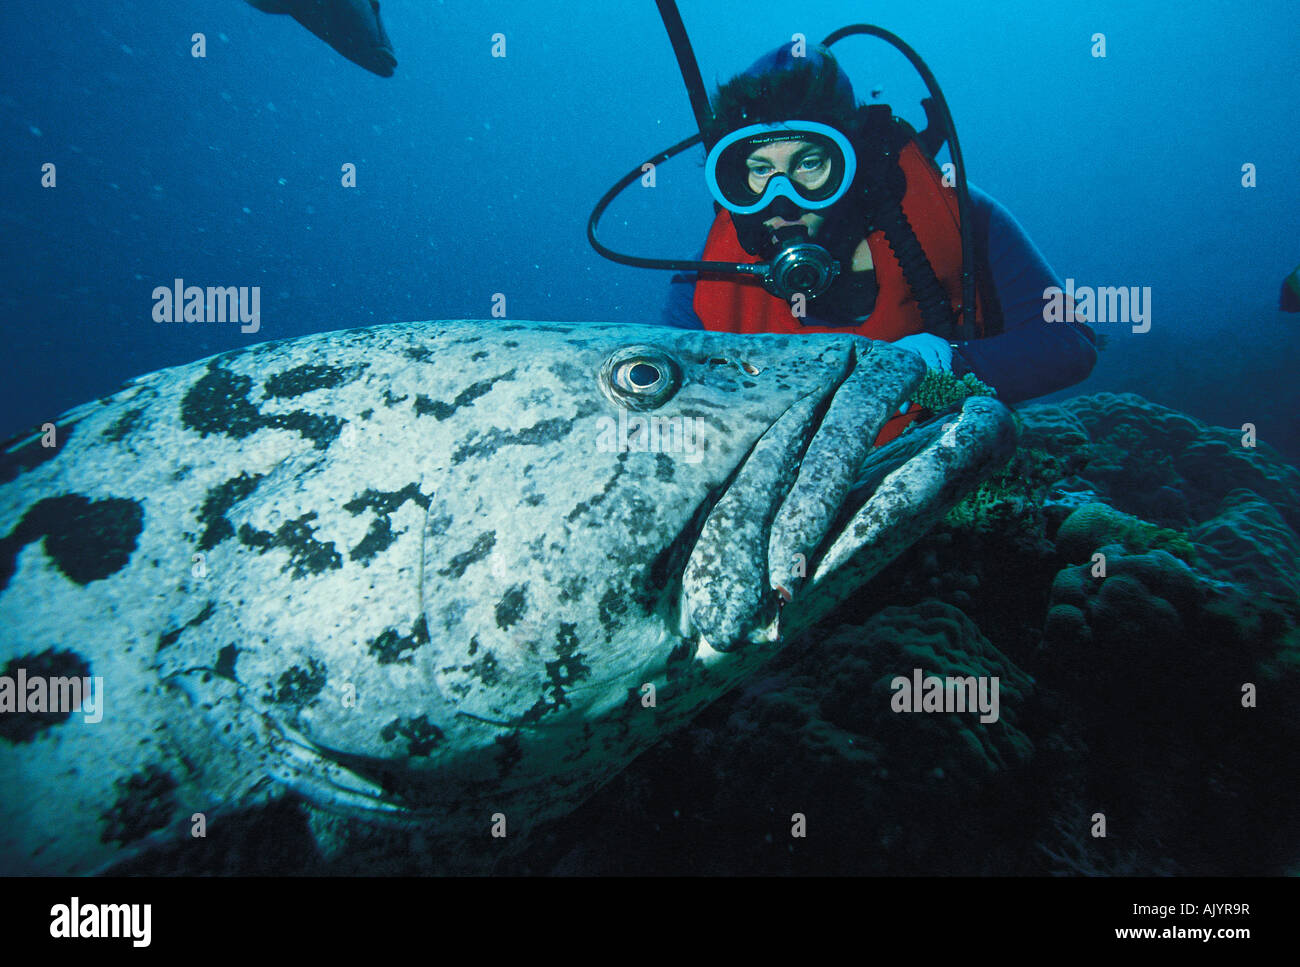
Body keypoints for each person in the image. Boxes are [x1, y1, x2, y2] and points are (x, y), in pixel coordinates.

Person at [662, 45, 1097, 444]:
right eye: (760, 169)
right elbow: (673, 403)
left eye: (810, 164)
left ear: (853, 158)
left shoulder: (959, 216)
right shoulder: (705, 279)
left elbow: (1068, 343)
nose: (784, 199)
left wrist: (948, 363)